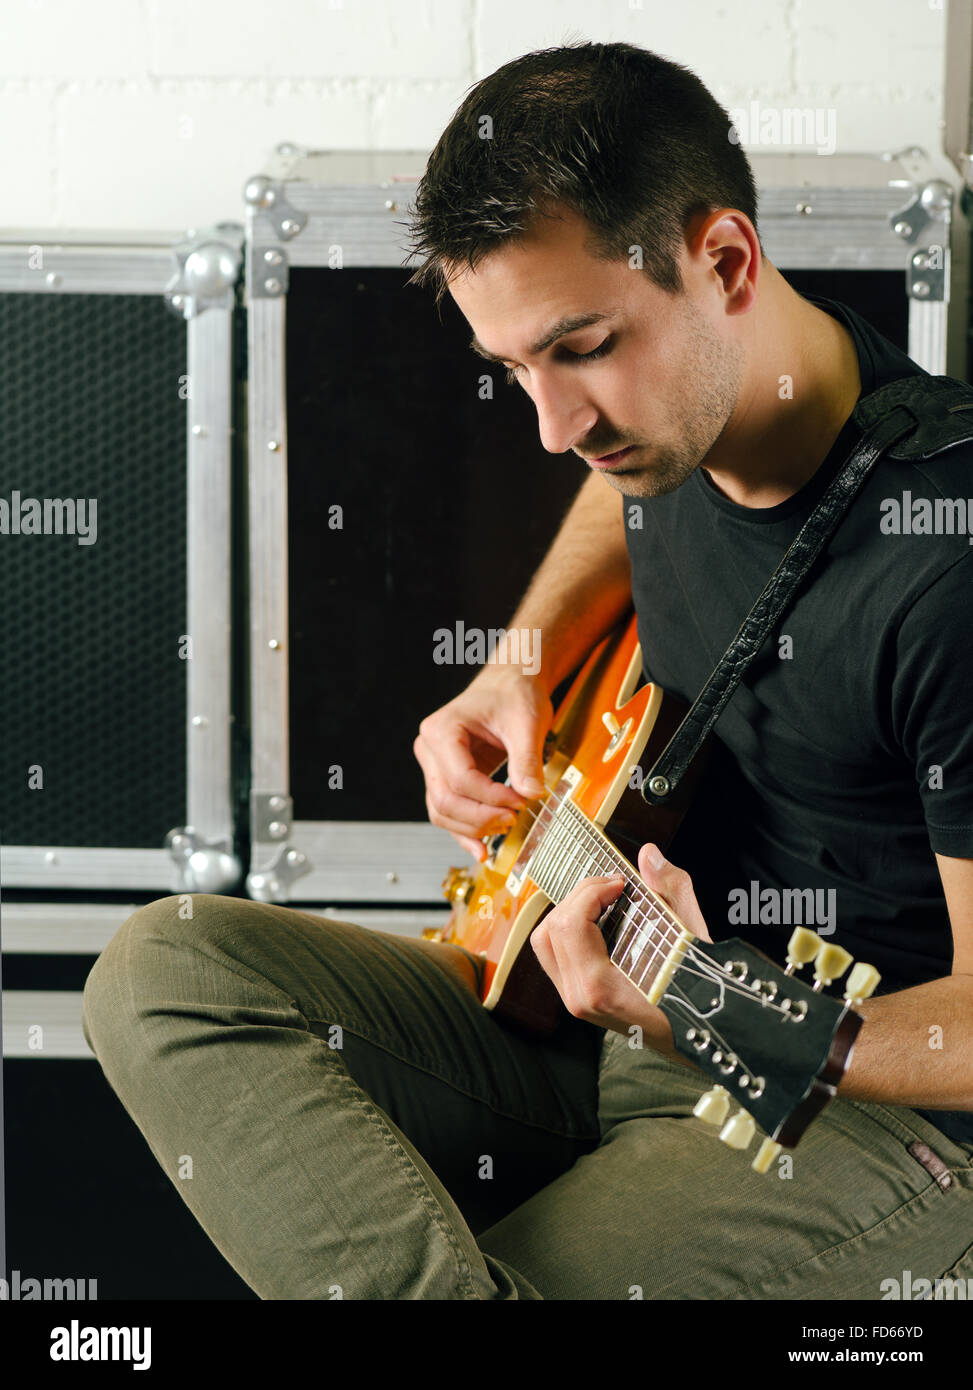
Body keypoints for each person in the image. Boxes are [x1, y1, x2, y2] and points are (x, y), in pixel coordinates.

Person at [82, 40, 973, 1301]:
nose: (556, 427)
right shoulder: (682, 419)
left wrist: (708, 1010)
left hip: (866, 1124)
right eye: (515, 371)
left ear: (723, 262)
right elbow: (632, 505)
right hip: (615, 1026)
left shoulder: (944, 568)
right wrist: (521, 661)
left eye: (583, 347)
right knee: (166, 968)